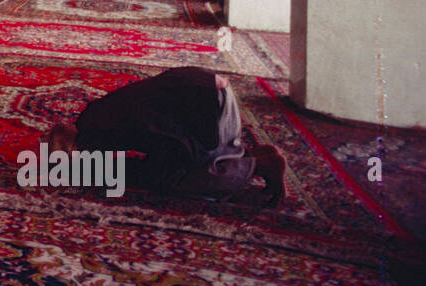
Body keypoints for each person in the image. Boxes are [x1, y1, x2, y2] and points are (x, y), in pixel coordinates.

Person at [47, 66, 285, 205]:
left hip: (206, 107)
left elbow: (168, 144)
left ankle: (259, 166)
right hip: (210, 96)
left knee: (179, 180)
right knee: (167, 169)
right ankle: (249, 156)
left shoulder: (96, 131)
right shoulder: (94, 120)